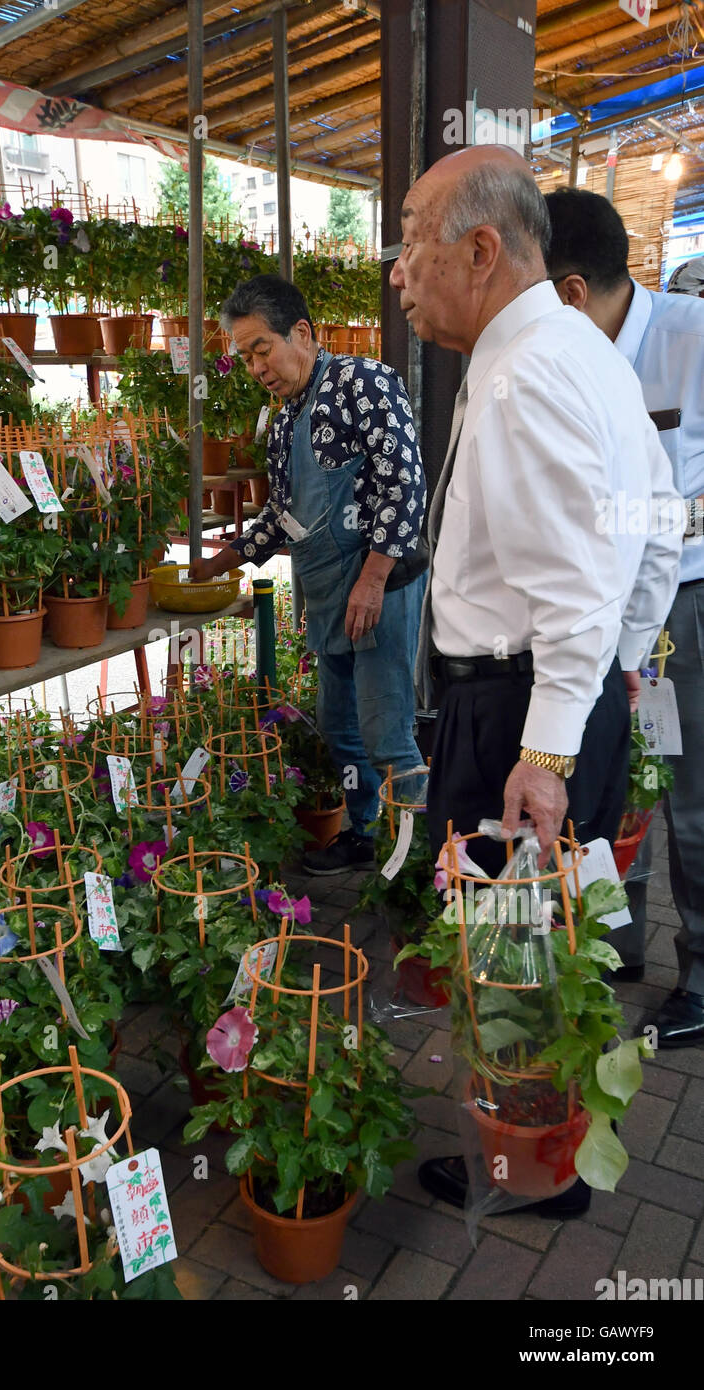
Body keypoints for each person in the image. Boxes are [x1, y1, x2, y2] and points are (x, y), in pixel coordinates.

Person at [390, 145, 683, 1214]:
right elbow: (654, 528)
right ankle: (541, 1143)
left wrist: (545, 750)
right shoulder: (581, 348)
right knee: (557, 930)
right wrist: (608, 665)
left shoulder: (523, 371)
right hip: (560, 699)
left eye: (412, 242)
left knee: (511, 942)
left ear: (480, 248)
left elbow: (571, 580)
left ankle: (524, 1164)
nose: (397, 271)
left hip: (518, 713)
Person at [187, 274, 428, 875]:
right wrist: (220, 561)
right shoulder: (286, 415)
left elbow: (405, 482)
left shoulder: (362, 383)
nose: (255, 367)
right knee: (339, 727)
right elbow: (285, 515)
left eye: (261, 349)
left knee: (386, 732)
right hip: (328, 593)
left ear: (301, 332)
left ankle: (421, 863)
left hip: (381, 587)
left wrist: (373, 579)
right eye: (245, 357)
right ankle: (364, 830)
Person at [545, 187, 704, 1048]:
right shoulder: (565, 358)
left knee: (687, 794)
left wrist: (647, 519)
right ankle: (619, 946)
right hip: (605, 609)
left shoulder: (689, 335)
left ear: (570, 290)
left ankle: (703, 979)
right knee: (618, 777)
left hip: (684, 604)